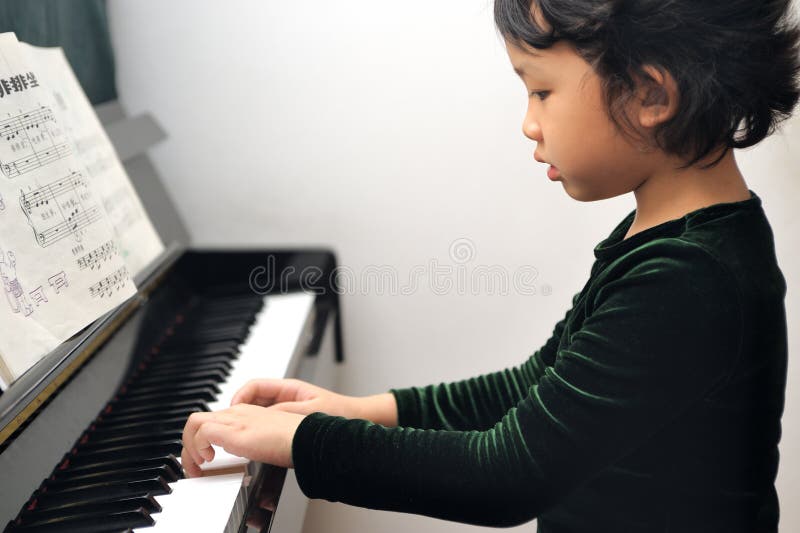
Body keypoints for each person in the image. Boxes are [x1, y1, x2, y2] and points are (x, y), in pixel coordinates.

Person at [181, 1, 799, 530]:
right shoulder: (674, 243)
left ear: (650, 95)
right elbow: (533, 388)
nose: (529, 124)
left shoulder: (688, 278)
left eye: (541, 91)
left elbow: (505, 476)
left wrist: (301, 442)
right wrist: (356, 409)